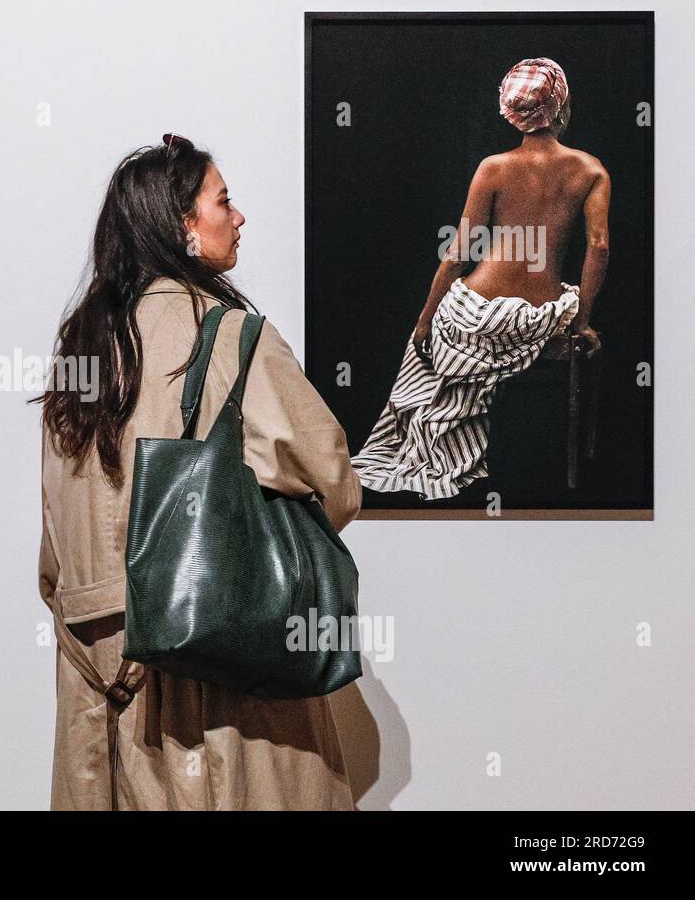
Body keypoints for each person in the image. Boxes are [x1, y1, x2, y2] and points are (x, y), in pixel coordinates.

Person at [36, 134, 362, 810]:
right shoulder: (233, 338)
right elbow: (334, 482)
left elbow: (54, 543)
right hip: (214, 672)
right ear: (182, 224)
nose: (238, 217)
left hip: (95, 674)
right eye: (223, 201)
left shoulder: (82, 348)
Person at [351, 57, 611, 500]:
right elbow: (599, 247)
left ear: (513, 112)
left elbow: (457, 254)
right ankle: (552, 468)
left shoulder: (494, 168)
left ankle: (436, 445)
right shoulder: (590, 170)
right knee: (565, 305)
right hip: (537, 321)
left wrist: (424, 320)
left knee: (420, 371)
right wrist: (581, 321)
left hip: (473, 317)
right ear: (561, 105)